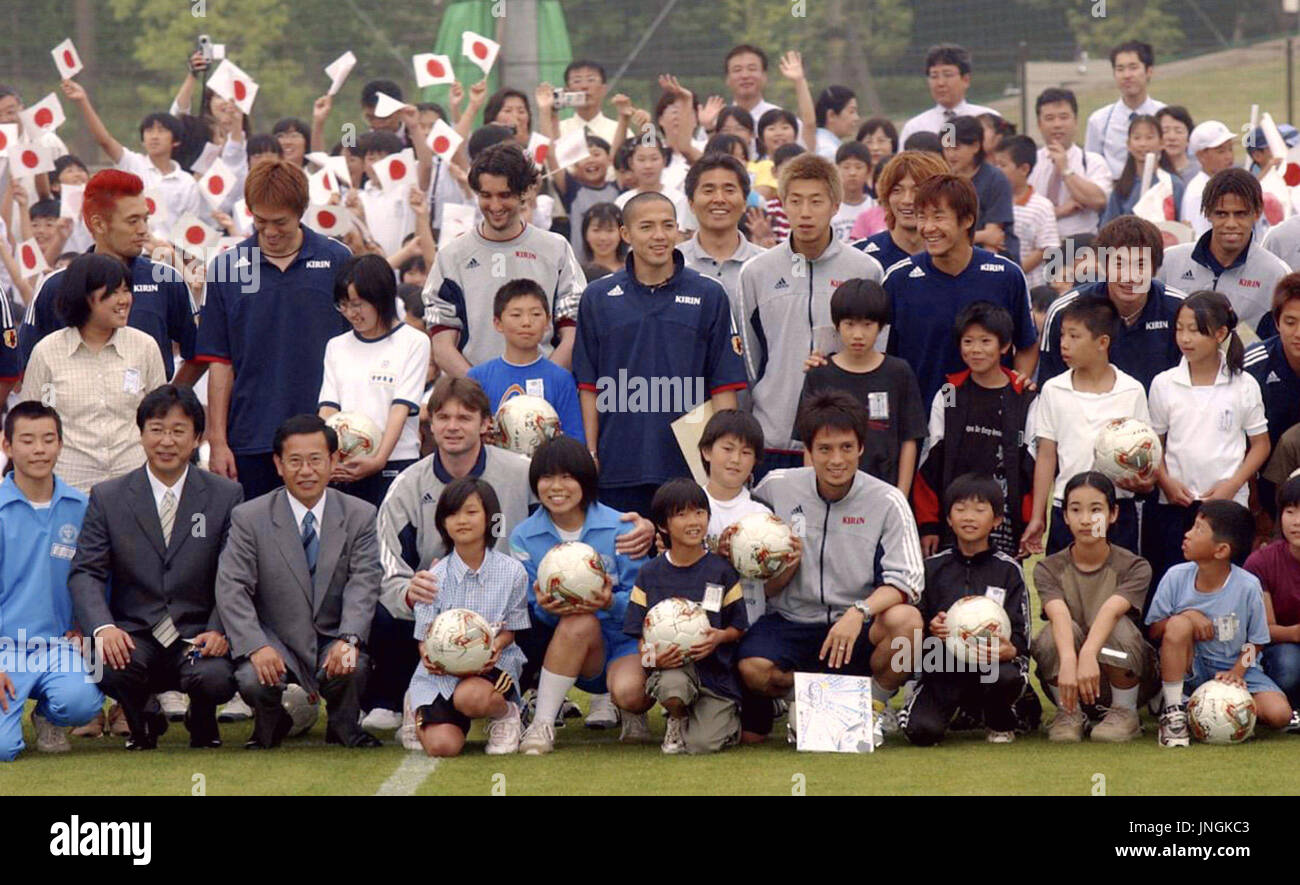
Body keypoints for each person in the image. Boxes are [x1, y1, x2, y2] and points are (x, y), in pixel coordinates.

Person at [736, 391, 923, 745]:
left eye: (846, 447)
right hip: (792, 621)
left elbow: (908, 582)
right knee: (753, 668)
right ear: (808, 449)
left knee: (907, 623)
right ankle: (809, 704)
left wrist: (859, 611)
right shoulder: (776, 487)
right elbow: (744, 538)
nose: (836, 459)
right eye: (824, 449)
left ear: (861, 448)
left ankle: (872, 708)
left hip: (857, 628)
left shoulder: (887, 501)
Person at [68, 385, 244, 750]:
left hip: (196, 633)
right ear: (142, 434)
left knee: (215, 678)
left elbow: (235, 573)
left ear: (196, 437)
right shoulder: (109, 496)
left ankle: (203, 715)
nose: (167, 441)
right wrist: (103, 628)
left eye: (179, 431)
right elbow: (87, 571)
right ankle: (140, 716)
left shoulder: (225, 496)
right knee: (108, 663)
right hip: (136, 633)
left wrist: (218, 628)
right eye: (157, 429)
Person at [215, 414, 383, 749]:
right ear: (278, 464)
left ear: (334, 460)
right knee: (252, 678)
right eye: (295, 461)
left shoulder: (360, 515)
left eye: (315, 460)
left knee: (353, 662)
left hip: (333, 636)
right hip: (274, 637)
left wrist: (348, 638)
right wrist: (256, 645)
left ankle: (344, 726)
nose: (306, 471)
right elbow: (232, 586)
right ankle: (270, 723)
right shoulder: (250, 517)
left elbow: (364, 581)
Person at [575, 192, 747, 518]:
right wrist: (592, 452)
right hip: (618, 463)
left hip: (688, 465)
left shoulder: (709, 294)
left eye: (668, 225)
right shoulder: (597, 297)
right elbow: (588, 384)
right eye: (647, 226)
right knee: (623, 564)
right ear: (625, 234)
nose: (659, 235)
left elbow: (724, 386)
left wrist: (724, 459)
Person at [197, 158, 353, 500]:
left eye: (280, 222)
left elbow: (358, 350)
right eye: (260, 221)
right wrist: (218, 441)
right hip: (251, 438)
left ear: (301, 211)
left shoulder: (338, 260)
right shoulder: (226, 268)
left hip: (325, 438)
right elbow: (220, 364)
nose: (270, 232)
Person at [737, 153, 883, 479]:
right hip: (772, 439)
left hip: (841, 443)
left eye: (816, 201)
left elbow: (879, 356)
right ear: (783, 204)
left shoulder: (865, 270)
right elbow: (748, 363)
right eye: (796, 201)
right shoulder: (756, 273)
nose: (805, 212)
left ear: (835, 205)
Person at [511, 438, 650, 753]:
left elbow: (646, 600)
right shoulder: (523, 536)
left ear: (585, 481)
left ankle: (631, 709)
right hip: (575, 648)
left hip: (626, 640)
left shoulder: (623, 527)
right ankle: (542, 723)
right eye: (547, 477)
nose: (556, 487)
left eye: (567, 477)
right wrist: (547, 608)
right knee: (579, 621)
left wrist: (611, 602)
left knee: (631, 693)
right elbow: (534, 607)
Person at [14, 170, 203, 394]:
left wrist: (166, 401)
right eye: (133, 221)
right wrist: (57, 410)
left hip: (144, 425)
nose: (143, 229)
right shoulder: (56, 285)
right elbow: (24, 365)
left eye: (145, 219)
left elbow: (198, 351)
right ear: (99, 224)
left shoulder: (165, 279)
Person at [1144, 290, 1270, 593]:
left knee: (1226, 586)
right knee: (1175, 582)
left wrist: (1232, 485)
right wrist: (1166, 482)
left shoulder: (1242, 383)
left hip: (1227, 506)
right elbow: (1154, 443)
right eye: (1180, 329)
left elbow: (1261, 444)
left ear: (1220, 333)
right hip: (1176, 503)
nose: (1185, 338)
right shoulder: (1164, 384)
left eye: (1196, 331)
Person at [424, 142, 585, 376]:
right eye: (486, 196)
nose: (495, 206)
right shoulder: (451, 255)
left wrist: (541, 386)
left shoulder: (556, 249)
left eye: (505, 195)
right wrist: (483, 390)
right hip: (474, 400)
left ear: (526, 192)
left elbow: (572, 333)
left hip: (542, 400)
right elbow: (442, 345)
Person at [0, 402, 104, 761]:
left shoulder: (83, 506)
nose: (39, 449)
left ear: (61, 444)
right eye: (27, 440)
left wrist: (82, 629)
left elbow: (96, 577)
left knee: (83, 704)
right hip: (4, 648)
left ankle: (48, 716)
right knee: (3, 749)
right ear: (7, 446)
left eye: (48, 439)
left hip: (60, 646)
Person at [1147, 501, 1299, 747]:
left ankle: (1213, 710)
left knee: (1279, 714)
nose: (1187, 534)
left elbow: (1257, 642)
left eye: (1198, 530)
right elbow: (1155, 629)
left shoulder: (1248, 586)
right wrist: (1187, 616)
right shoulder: (1175, 576)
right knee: (1178, 625)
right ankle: (1174, 708)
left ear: (1221, 550)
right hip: (1191, 667)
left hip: (1237, 667)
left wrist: (1236, 673)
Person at [882, 173, 1038, 407]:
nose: (927, 227)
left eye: (938, 217)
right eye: (922, 217)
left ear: (966, 220)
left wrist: (1014, 392)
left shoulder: (1007, 275)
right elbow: (883, 357)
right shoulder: (898, 280)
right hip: (919, 427)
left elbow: (1027, 343)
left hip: (988, 424)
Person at [620, 479, 748, 754]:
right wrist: (653, 659)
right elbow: (640, 642)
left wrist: (719, 638)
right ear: (663, 525)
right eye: (681, 514)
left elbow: (739, 628)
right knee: (672, 685)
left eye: (699, 512)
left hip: (716, 675)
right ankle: (676, 718)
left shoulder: (722, 571)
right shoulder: (649, 574)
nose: (693, 521)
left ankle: (724, 720)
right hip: (673, 670)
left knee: (702, 745)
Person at [21, 253, 166, 494]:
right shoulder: (47, 352)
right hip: (70, 490)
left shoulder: (145, 347)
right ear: (84, 297)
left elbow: (159, 418)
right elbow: (31, 423)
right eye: (113, 293)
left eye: (126, 291)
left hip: (134, 488)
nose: (124, 300)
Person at [1033, 472, 1159, 742]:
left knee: (1119, 628)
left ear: (1113, 514)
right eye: (1075, 509)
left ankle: (1125, 713)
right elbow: (1058, 614)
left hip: (1121, 669)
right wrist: (1069, 659)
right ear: (1064, 516)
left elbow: (1111, 610)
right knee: (1048, 637)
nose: (1086, 520)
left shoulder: (1135, 566)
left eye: (1096, 509)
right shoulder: (1048, 568)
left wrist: (1089, 652)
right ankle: (1069, 713)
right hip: (1070, 677)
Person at [905, 474, 1031, 746]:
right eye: (960, 509)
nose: (969, 517)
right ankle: (955, 709)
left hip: (992, 666)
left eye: (979, 509)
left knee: (1006, 676)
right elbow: (917, 622)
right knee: (921, 732)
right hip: (945, 666)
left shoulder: (1009, 570)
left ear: (997, 519)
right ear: (949, 518)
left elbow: (1022, 634)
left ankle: (999, 717)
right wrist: (932, 629)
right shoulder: (932, 568)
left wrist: (1012, 649)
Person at [1022, 297, 1151, 556]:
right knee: (1066, 586)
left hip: (1116, 508)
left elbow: (1144, 454)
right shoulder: (1054, 389)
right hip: (1067, 508)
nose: (1064, 344)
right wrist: (1038, 516)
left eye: (1074, 336)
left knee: (1114, 586)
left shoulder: (1132, 390)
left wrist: (1142, 482)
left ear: (1102, 342)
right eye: (1062, 335)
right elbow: (1046, 454)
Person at [409, 478, 528, 757]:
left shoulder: (513, 572)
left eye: (471, 512)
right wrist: (427, 654)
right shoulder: (432, 578)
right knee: (442, 747)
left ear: (489, 518)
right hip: (442, 672)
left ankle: (508, 714)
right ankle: (413, 705)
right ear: (442, 523)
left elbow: (512, 630)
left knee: (470, 698)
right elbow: (423, 636)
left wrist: (494, 647)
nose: (461, 520)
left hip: (491, 667)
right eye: (452, 513)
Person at [915, 302, 1036, 559]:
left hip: (1004, 523)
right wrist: (928, 524)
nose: (976, 350)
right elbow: (930, 462)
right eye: (968, 341)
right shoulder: (949, 393)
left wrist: (1027, 524)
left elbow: (1031, 466)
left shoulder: (1024, 397)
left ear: (1004, 346)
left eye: (985, 341)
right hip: (953, 521)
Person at [318, 254, 430, 507]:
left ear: (381, 297)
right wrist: (328, 457)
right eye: (343, 305)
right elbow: (328, 408)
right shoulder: (336, 346)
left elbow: (400, 408)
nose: (350, 313)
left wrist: (379, 459)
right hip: (344, 465)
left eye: (357, 304)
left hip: (395, 462)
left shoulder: (413, 342)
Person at [796, 279, 925, 493]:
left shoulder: (898, 372)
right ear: (837, 326)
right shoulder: (820, 374)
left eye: (867, 325)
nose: (858, 334)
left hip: (885, 489)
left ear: (881, 327)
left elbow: (909, 438)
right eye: (849, 324)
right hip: (831, 490)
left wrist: (901, 493)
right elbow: (808, 441)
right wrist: (814, 489)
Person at [1038, 215, 1186, 391]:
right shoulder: (1066, 310)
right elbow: (1049, 387)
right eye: (1119, 264)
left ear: (1155, 268)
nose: (1129, 277)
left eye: (1140, 265)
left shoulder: (1179, 309)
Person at [1159, 169, 1291, 335]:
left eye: (1240, 214)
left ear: (1257, 213)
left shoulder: (1276, 274)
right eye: (1221, 214)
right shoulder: (1170, 262)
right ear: (1207, 213)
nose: (1231, 223)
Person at [60, 80, 202, 225]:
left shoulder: (186, 183)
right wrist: (82, 101)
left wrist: (165, 248)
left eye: (161, 131)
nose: (154, 136)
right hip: (132, 247)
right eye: (149, 131)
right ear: (142, 140)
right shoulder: (133, 163)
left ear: (176, 141)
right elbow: (105, 141)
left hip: (168, 247)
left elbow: (189, 232)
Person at [467, 278, 585, 444]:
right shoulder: (477, 378)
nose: (526, 322)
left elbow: (574, 439)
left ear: (548, 322)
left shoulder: (561, 379)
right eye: (516, 315)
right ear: (498, 323)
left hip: (547, 468)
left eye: (536, 314)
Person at [697, 409, 775, 624]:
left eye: (746, 452)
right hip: (696, 623)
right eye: (727, 449)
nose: (736, 459)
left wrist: (790, 560)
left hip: (750, 623)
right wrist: (715, 555)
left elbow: (772, 585)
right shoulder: (687, 506)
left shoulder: (763, 514)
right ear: (706, 451)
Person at [678, 152, 767, 325]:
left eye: (729, 190)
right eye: (708, 190)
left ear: (744, 203)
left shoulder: (766, 264)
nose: (719, 199)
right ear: (691, 203)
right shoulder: (672, 263)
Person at [1028, 88, 1112, 241]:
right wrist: (1060, 211)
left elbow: (1099, 201)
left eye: (1064, 117)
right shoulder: (1029, 162)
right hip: (1036, 251)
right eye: (1049, 118)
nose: (1057, 124)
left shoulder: (1092, 161)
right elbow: (1021, 211)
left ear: (1075, 121)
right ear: (1039, 124)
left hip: (1079, 251)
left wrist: (1065, 169)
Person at [1245, 476, 1300, 707]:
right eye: (1289, 512)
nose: (1296, 522)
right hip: (1280, 646)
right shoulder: (1262, 562)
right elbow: (1263, 630)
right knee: (1288, 666)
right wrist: (1295, 633)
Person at [852, 150, 949, 273]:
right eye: (897, 190)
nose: (907, 200)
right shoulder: (859, 256)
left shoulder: (957, 258)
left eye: (917, 190)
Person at [943, 116, 1019, 264]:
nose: (950, 154)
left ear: (976, 146)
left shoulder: (995, 179)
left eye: (956, 148)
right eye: (946, 148)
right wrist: (981, 235)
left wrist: (948, 238)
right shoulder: (942, 180)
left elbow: (993, 236)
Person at [1086, 41, 1167, 178]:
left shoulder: (1165, 116)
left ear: (1149, 71)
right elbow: (1091, 166)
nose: (1127, 75)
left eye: (1133, 67)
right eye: (1120, 69)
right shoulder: (1099, 120)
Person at [990, 135, 1059, 289]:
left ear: (1024, 169)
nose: (996, 171)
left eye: (1002, 165)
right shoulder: (990, 201)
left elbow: (1045, 248)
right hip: (993, 282)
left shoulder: (1042, 206)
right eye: (994, 165)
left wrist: (1014, 272)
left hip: (1029, 286)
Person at [898, 44, 1000, 147]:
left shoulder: (988, 121)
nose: (940, 83)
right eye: (934, 76)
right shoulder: (915, 127)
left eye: (948, 75)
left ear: (966, 80)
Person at [1099, 115, 1185, 226]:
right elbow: (1108, 226)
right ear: (1128, 144)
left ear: (1161, 143)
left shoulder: (1173, 185)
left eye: (1149, 137)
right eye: (1137, 138)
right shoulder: (1122, 187)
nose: (1143, 144)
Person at [557, 60, 621, 148]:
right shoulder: (558, 130)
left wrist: (644, 127)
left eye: (591, 80)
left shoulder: (619, 130)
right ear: (567, 90)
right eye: (577, 81)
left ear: (603, 89)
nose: (584, 86)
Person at [723, 45, 783, 125]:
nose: (745, 75)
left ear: (764, 76)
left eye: (752, 69)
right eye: (737, 70)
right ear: (727, 79)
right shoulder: (715, 122)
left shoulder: (782, 119)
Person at [831, 141, 876, 242]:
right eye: (846, 167)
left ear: (868, 172)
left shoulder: (875, 207)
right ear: (836, 170)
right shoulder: (828, 208)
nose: (852, 173)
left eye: (858, 167)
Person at [813, 86, 860, 162]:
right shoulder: (829, 153)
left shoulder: (815, 140)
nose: (856, 118)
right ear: (831, 115)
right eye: (851, 112)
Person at [1156, 106, 1199, 187]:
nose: (1172, 137)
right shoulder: (1151, 172)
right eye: (1165, 131)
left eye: (1178, 131)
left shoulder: (1199, 172)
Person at [580, 202, 625, 274]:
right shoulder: (578, 273)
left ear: (622, 233)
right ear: (585, 233)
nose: (603, 238)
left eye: (610, 230)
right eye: (596, 230)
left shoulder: (631, 271)